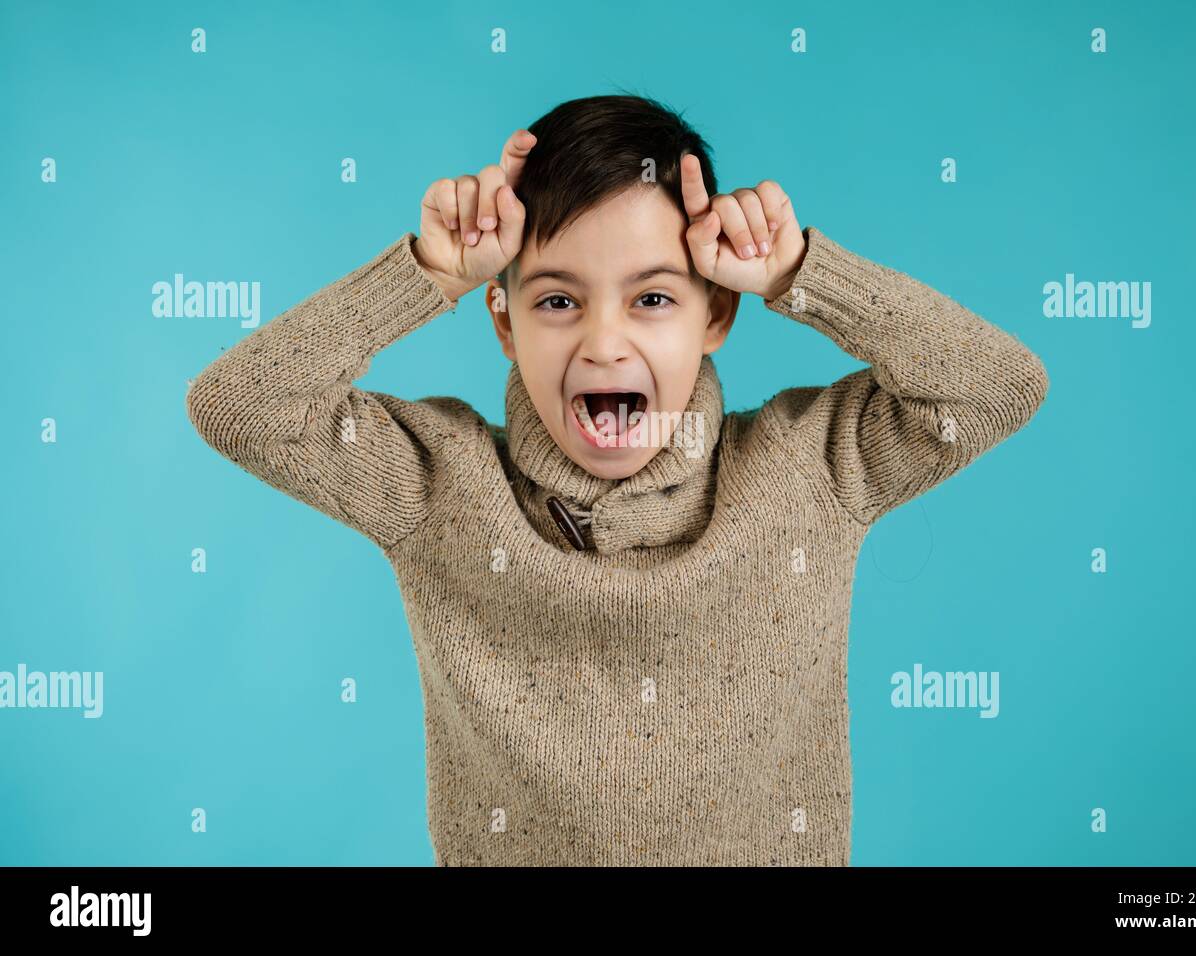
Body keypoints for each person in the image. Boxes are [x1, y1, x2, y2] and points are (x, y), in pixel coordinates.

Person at [185, 93, 1050, 866]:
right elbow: (241, 408)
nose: (604, 342)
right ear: (504, 321)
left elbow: (995, 386)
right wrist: (429, 273)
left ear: (717, 311)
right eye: (557, 300)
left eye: (653, 299)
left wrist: (801, 274)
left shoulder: (809, 467)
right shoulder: (437, 484)